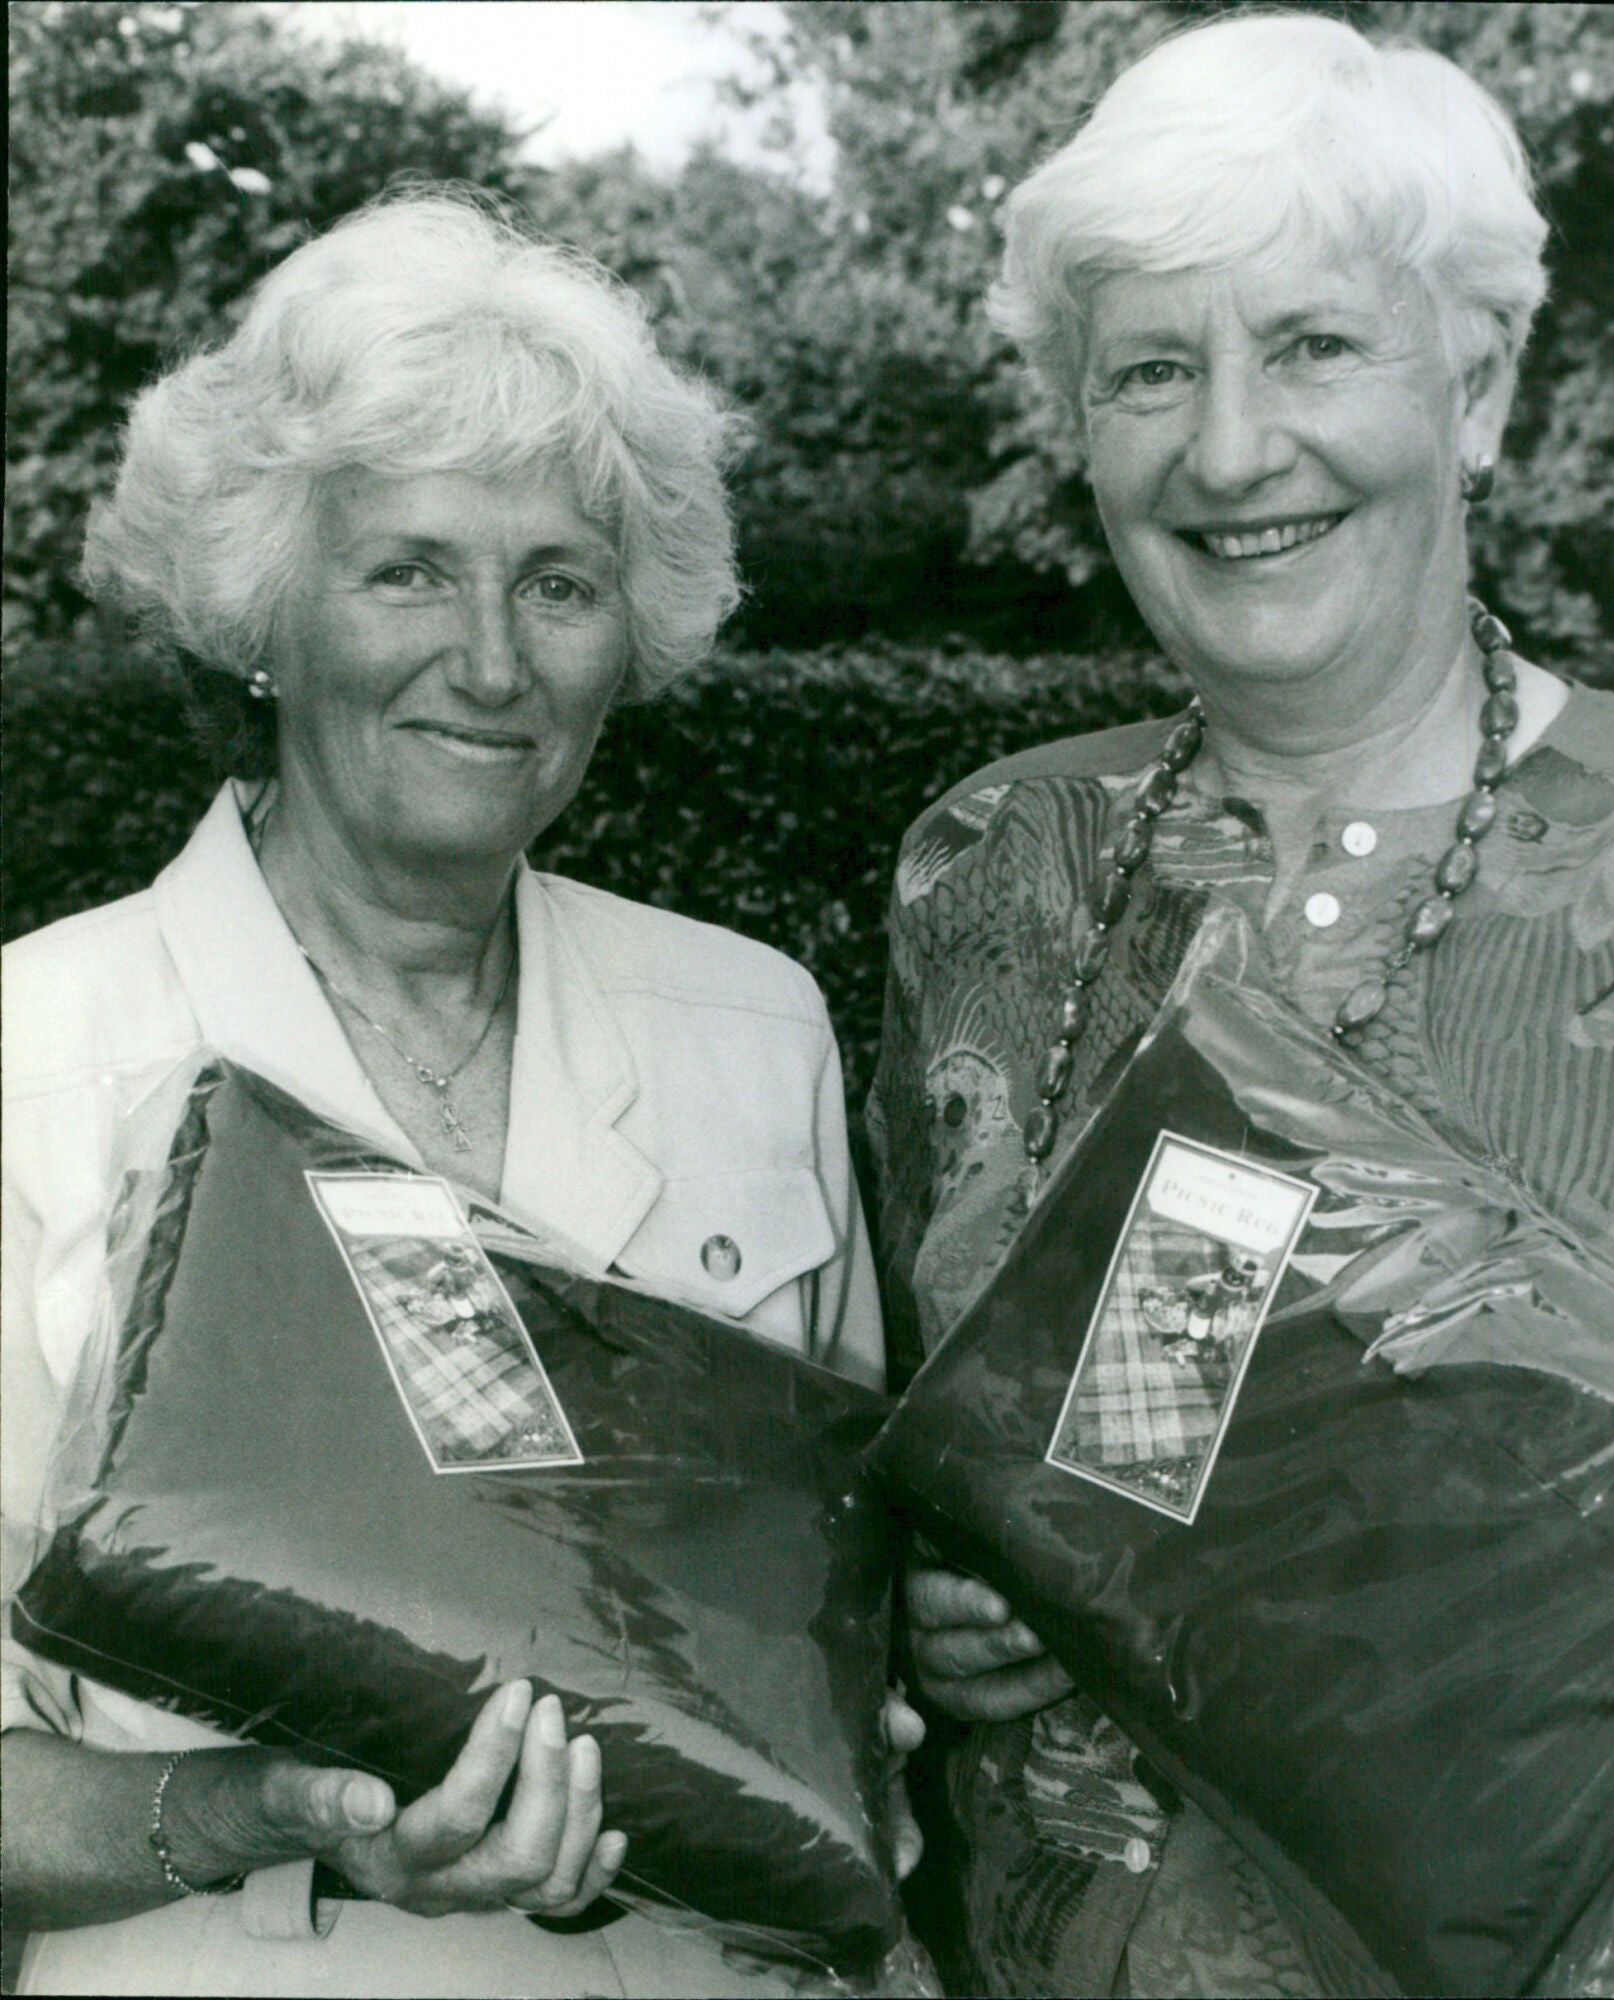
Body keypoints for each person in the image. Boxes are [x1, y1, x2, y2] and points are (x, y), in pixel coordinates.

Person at [865, 16, 1614, 1996]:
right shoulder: (986, 874)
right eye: (1153, 370)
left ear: (1482, 386)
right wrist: (925, 1609)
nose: (1229, 446)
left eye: (1314, 346)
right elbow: (938, 1431)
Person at [2, 192, 914, 1999]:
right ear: (262, 611)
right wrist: (277, 1806)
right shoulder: (29, 1051)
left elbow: (837, 1629)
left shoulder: (755, 1025)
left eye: (556, 584)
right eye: (408, 566)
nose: (493, 661)